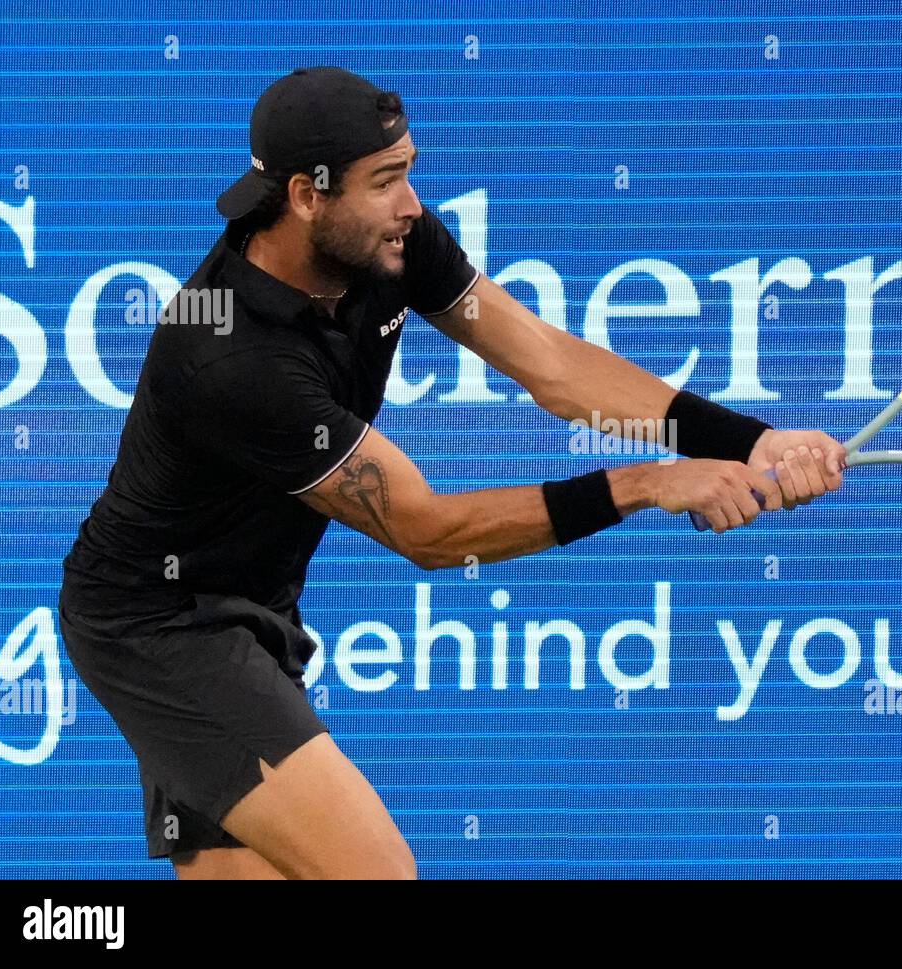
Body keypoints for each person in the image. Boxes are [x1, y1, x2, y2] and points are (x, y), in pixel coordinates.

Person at [58, 66, 845, 880]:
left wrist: (746, 440)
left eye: (410, 172)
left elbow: (550, 365)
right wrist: (644, 485)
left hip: (255, 604)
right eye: (387, 181)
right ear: (305, 196)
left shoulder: (392, 245)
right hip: (158, 627)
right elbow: (429, 531)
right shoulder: (228, 356)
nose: (411, 203)